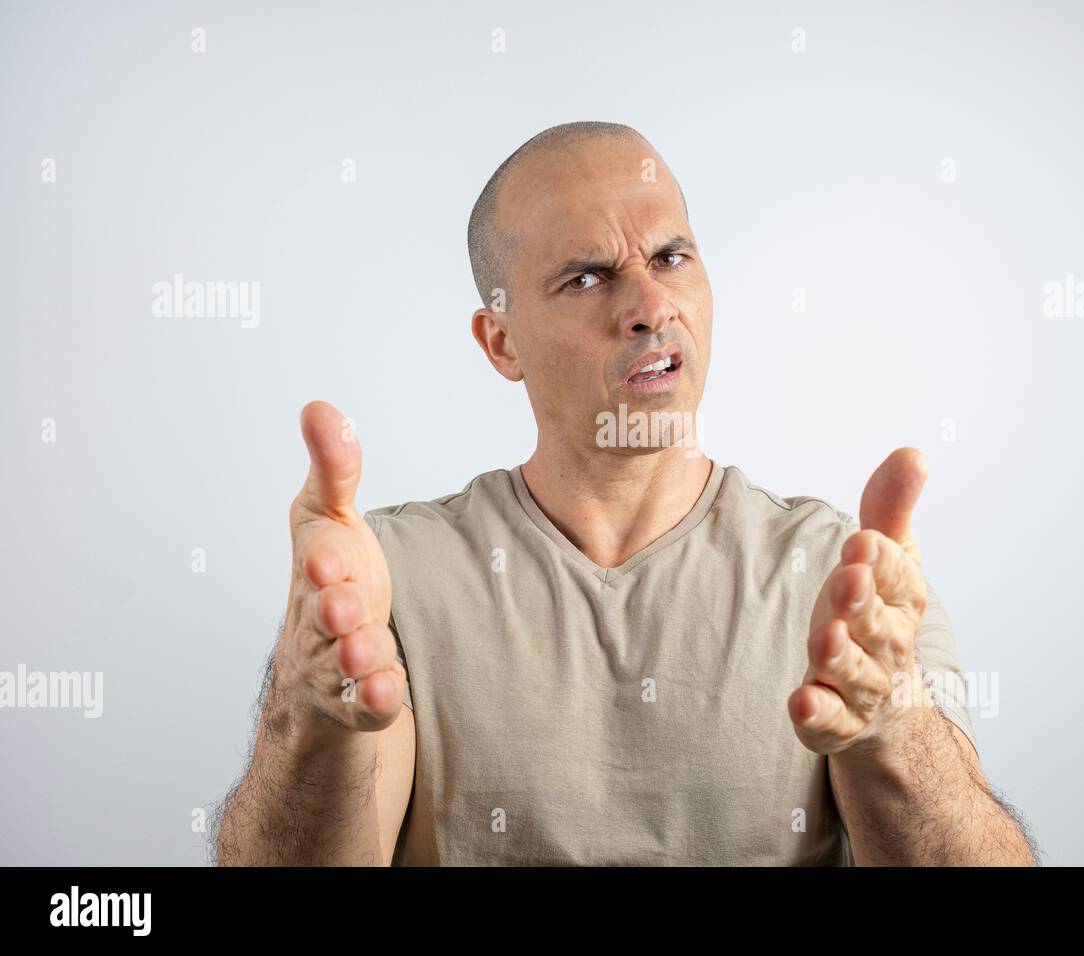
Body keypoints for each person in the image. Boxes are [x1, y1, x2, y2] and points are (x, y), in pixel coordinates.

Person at [214, 121, 1036, 866]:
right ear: (501, 341)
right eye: (586, 279)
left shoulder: (845, 577)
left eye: (672, 259)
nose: (650, 307)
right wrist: (308, 716)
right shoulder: (389, 577)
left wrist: (892, 729)